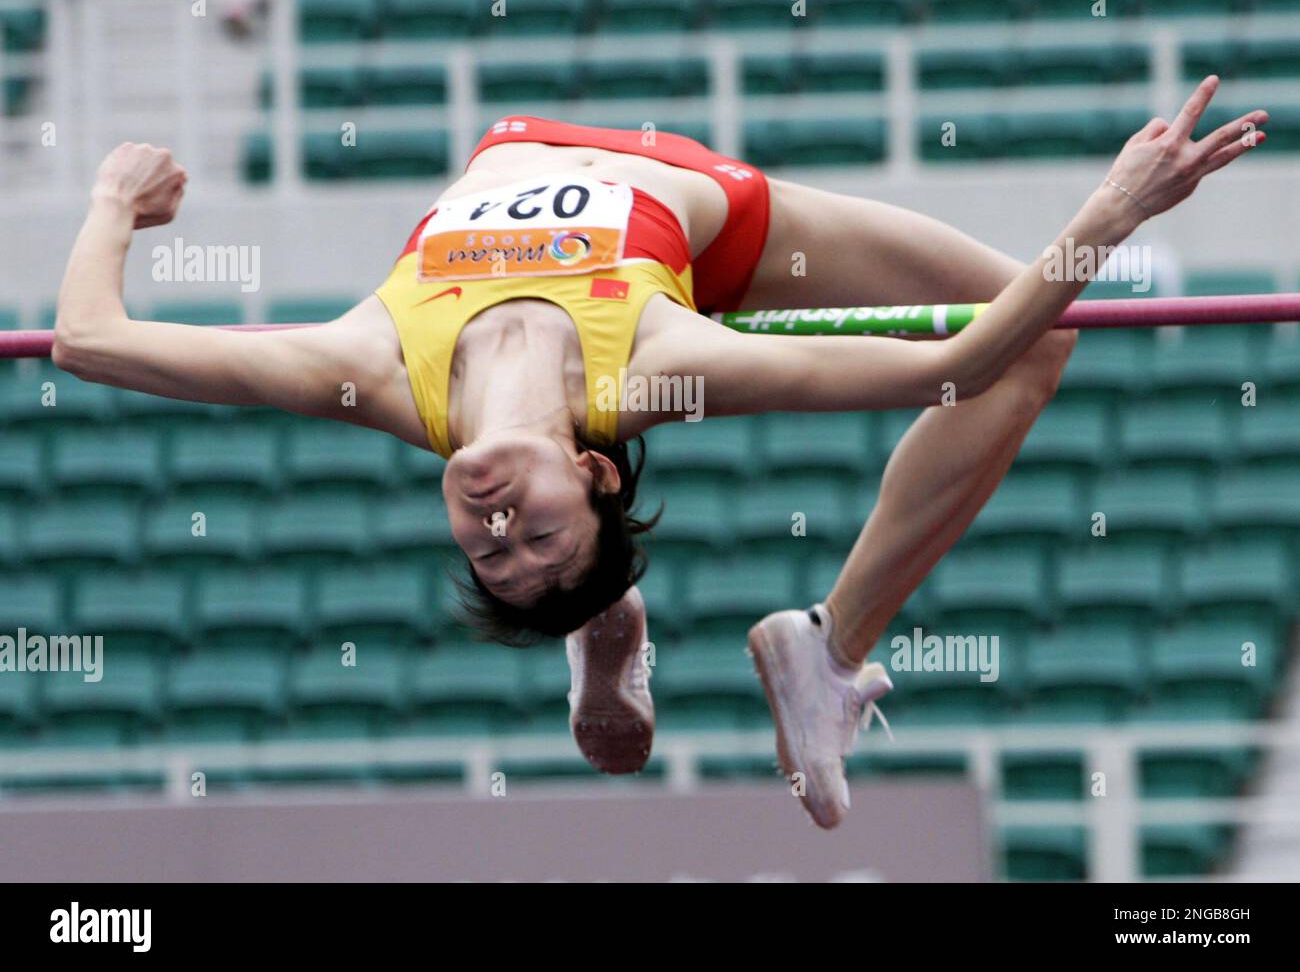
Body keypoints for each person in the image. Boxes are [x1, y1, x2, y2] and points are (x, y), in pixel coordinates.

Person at [52, 77, 1266, 826]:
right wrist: (1109, 213)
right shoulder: (652, 371)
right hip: (706, 219)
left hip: (525, 146)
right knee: (1034, 345)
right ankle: (827, 646)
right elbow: (950, 366)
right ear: (590, 472)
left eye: (488, 548)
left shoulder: (366, 370)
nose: (492, 520)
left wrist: (115, 200)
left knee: (1019, 344)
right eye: (533, 535)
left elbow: (91, 340)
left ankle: (606, 618)